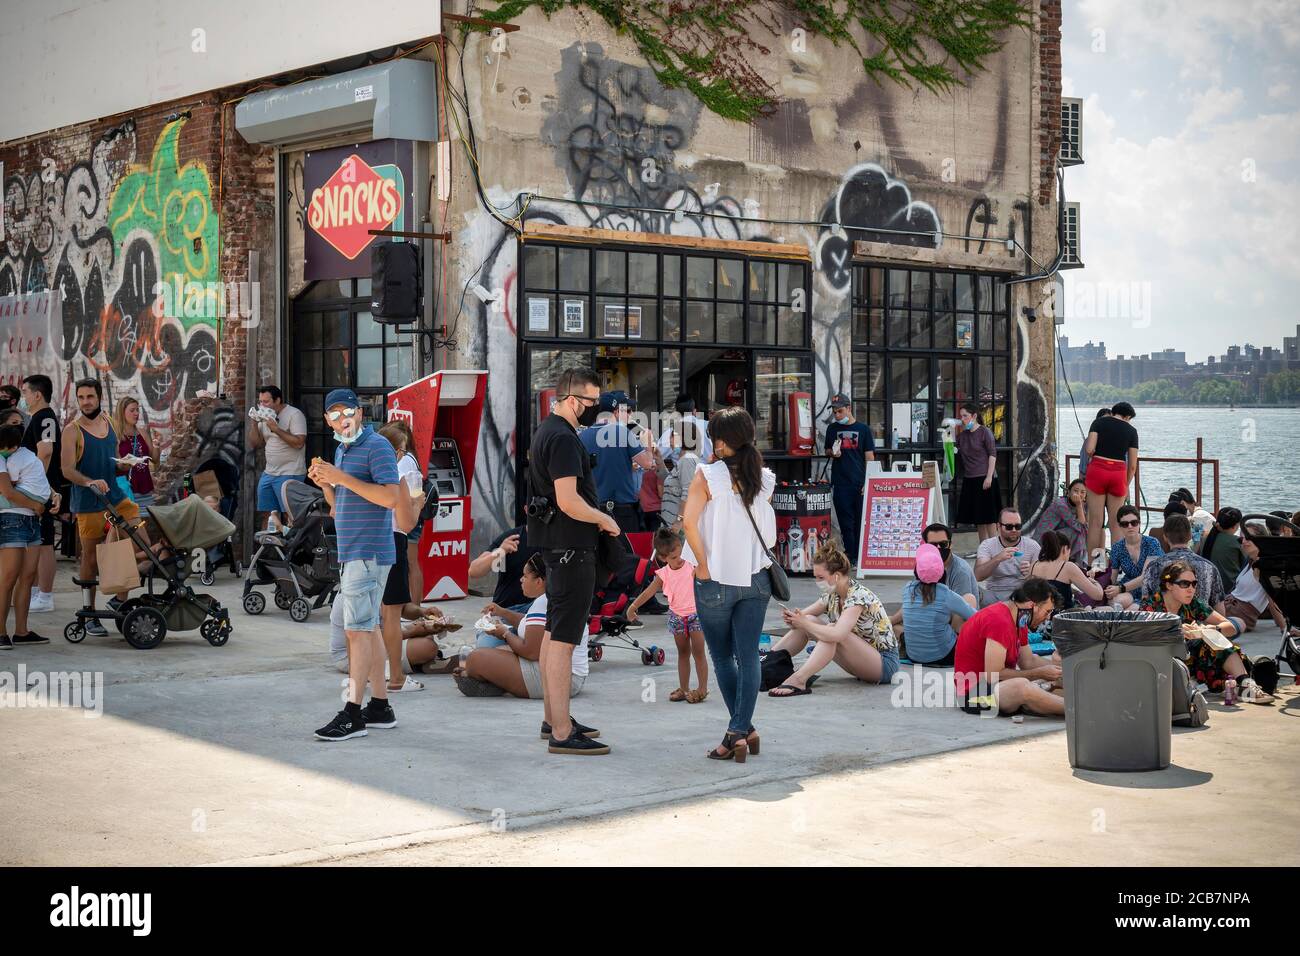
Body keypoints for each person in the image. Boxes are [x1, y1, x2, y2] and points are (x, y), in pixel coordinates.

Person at [528, 367, 621, 755]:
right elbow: (567, 500)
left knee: (554, 633)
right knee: (565, 640)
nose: (592, 409)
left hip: (557, 548)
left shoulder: (548, 432)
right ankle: (563, 732)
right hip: (571, 549)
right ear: (570, 399)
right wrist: (604, 520)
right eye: (589, 402)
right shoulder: (563, 439)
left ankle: (555, 718)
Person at [681, 405, 775, 761]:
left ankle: (737, 732)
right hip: (757, 579)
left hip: (715, 579)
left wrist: (702, 566)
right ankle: (744, 729)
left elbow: (690, 524)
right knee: (749, 656)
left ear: (719, 442)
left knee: (722, 657)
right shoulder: (765, 478)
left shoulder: (707, 476)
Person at [307, 388, 402, 741]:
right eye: (333, 415)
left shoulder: (376, 446)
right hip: (353, 551)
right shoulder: (342, 449)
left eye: (347, 411)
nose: (342, 419)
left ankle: (353, 713)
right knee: (368, 628)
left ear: (360, 412)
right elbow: (339, 505)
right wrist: (326, 484)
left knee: (357, 632)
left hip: (369, 552)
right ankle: (380, 706)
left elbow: (391, 498)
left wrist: (341, 478)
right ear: (327, 420)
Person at [61, 379, 143, 638]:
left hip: (117, 498)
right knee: (90, 558)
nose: (85, 402)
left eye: (90, 397)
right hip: (88, 503)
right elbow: (67, 470)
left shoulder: (110, 423)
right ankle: (88, 613)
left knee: (138, 542)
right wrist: (89, 482)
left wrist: (125, 466)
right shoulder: (72, 430)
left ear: (99, 398)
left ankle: (119, 600)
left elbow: (112, 464)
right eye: (81, 397)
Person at [457, 554, 595, 700]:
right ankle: (495, 680)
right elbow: (530, 624)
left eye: (525, 576)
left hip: (558, 680)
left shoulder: (543, 603)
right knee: (488, 652)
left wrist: (504, 633)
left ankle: (494, 682)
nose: (521, 580)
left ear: (539, 581)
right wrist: (502, 612)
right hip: (567, 676)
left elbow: (530, 652)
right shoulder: (557, 596)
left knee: (475, 658)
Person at [767, 542, 898, 696]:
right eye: (815, 577)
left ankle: (799, 680)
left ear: (836, 576)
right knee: (809, 620)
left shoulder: (858, 596)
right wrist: (794, 618)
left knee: (830, 630)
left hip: (884, 664)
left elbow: (838, 635)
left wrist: (803, 622)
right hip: (861, 659)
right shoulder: (833, 594)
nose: (817, 581)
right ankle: (766, 663)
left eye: (821, 577)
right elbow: (804, 617)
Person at [1139, 560, 1271, 701]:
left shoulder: (1193, 603)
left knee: (1219, 643)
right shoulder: (1152, 605)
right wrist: (1176, 630)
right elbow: (1144, 636)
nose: (1191, 589)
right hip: (1166, 661)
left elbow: (1230, 627)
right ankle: (1232, 687)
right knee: (1206, 648)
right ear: (1169, 585)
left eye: (1194, 584)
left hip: (1192, 659)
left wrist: (1212, 629)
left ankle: (1246, 684)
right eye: (1184, 584)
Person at [953, 578, 1063, 716]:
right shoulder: (999, 621)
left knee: (1057, 681)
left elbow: (1028, 661)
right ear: (1032, 605)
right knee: (1022, 686)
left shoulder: (1019, 618)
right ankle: (1078, 712)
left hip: (998, 688)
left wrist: (1062, 669)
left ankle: (1080, 706)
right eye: (1047, 612)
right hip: (974, 696)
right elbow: (993, 675)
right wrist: (1039, 673)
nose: (1047, 618)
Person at [626, 527, 708, 703]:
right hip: (677, 617)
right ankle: (684, 689)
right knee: (683, 653)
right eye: (673, 558)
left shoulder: (692, 566)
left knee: (699, 652)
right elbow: (648, 593)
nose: (679, 560)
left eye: (680, 554)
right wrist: (632, 606)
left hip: (696, 615)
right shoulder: (663, 575)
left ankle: (702, 689)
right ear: (662, 559)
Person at [377, 421, 424, 694]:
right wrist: (417, 504)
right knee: (391, 615)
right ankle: (396, 677)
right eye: (402, 449)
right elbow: (406, 521)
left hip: (370, 539)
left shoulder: (371, 468)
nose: (404, 454)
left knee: (377, 614)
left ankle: (375, 671)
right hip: (394, 538)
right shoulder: (404, 465)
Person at [0, 424, 53, 648]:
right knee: (8, 578)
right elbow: (8, 492)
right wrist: (36, 505)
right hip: (13, 519)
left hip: (31, 520)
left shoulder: (20, 455)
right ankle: (1, 633)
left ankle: (21, 631)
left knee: (28, 576)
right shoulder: (2, 458)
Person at [579, 391, 657, 534]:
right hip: (623, 510)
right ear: (615, 412)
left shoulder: (582, 436)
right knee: (626, 553)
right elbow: (647, 463)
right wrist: (648, 444)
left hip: (592, 510)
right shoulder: (624, 433)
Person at [894, 542, 976, 666]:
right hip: (944, 656)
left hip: (913, 656)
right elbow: (974, 615)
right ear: (942, 571)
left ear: (916, 570)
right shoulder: (946, 593)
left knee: (897, 627)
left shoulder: (908, 589)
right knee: (969, 598)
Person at [20, 374, 62, 614]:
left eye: (25, 392)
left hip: (41, 490)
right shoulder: (39, 417)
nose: (23, 397)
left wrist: (34, 484)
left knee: (45, 542)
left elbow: (45, 452)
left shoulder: (44, 417)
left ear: (37, 395)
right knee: (36, 541)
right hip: (40, 489)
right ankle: (36, 591)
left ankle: (45, 595)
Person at [1082, 400, 1139, 566]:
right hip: (1118, 473)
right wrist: (1125, 484)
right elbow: (1133, 465)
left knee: (1095, 522)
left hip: (1097, 469)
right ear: (1127, 416)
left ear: (1114, 412)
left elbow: (1089, 449)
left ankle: (1096, 565)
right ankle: (1115, 567)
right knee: (1116, 524)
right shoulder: (1131, 431)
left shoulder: (1098, 422)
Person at [823, 393, 875, 567]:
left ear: (849, 408)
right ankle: (851, 554)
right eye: (835, 412)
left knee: (861, 520)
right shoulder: (832, 429)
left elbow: (870, 457)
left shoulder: (863, 429)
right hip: (840, 481)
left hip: (859, 482)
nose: (837, 415)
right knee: (845, 521)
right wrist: (833, 452)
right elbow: (827, 451)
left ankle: (861, 555)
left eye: (840, 411)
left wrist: (869, 481)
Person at [247, 385, 307, 530]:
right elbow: (255, 444)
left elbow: (299, 443)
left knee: (289, 515)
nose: (262, 405)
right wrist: (254, 423)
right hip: (270, 472)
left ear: (277, 400)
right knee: (267, 514)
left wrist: (276, 429)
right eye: (260, 402)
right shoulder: (264, 416)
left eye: (266, 402)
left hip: (290, 471)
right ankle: (268, 548)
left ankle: (293, 549)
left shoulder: (294, 414)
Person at [1140, 514, 1225, 612]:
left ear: (1165, 537)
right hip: (1199, 625)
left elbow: (1145, 604)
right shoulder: (1209, 566)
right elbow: (1220, 610)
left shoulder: (1154, 566)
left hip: (1163, 624)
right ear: (1190, 536)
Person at [1224, 533, 1290, 634]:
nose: (1244, 541)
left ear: (1262, 541)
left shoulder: (1266, 565)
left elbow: (1272, 598)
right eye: (1242, 538)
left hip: (1239, 614)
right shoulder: (1252, 562)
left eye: (1249, 538)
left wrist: (1284, 627)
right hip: (1230, 608)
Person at [1024, 529, 1104, 611]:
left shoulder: (1033, 565)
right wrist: (1095, 582)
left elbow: (1046, 588)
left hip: (1038, 616)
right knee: (1106, 609)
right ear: (1065, 548)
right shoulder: (1067, 567)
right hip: (1062, 618)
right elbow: (1098, 595)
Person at [954, 402, 1000, 540]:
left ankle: (994, 547)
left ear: (974, 416)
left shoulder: (985, 432)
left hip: (985, 477)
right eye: (961, 416)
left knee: (989, 517)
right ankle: (983, 547)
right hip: (970, 478)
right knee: (978, 517)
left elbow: (992, 454)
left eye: (965, 416)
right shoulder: (962, 436)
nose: (963, 419)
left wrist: (989, 477)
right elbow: (952, 448)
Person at [1104, 504, 1164, 607]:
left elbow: (1146, 577)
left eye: (1134, 523)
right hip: (1128, 586)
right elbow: (1112, 578)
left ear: (1139, 523)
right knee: (1115, 602)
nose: (1130, 526)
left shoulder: (1152, 543)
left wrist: (1120, 589)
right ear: (1119, 526)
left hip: (1151, 587)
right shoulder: (1117, 548)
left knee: (1133, 609)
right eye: (1125, 524)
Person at [974, 507, 1041, 601]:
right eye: (1009, 526)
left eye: (1017, 526)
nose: (1014, 530)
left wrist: (1032, 572)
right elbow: (978, 575)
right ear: (998, 526)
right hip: (994, 593)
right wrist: (998, 558)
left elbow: (1044, 580)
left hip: (1022, 594)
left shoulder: (1032, 546)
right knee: (971, 592)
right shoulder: (987, 545)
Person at [112, 396, 159, 511]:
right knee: (130, 526)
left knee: (145, 524)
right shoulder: (115, 436)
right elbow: (116, 465)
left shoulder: (142, 433)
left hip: (146, 490)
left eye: (137, 410)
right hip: (126, 491)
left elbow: (155, 459)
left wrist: (157, 446)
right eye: (132, 410)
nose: (136, 413)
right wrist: (127, 463)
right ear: (122, 412)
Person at [658, 421, 702, 529]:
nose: (670, 440)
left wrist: (679, 521)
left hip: (677, 528)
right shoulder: (683, 460)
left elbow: (688, 493)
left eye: (673, 436)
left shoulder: (687, 460)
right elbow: (672, 484)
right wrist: (659, 460)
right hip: (671, 524)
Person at [1035, 478, 1088, 566]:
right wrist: (1079, 505)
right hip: (1043, 541)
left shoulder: (1082, 506)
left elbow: (1085, 527)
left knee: (1083, 531)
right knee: (1077, 532)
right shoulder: (1061, 505)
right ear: (1068, 492)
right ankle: (1076, 563)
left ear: (1086, 496)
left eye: (1082, 492)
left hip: (1056, 538)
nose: (1079, 494)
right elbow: (1079, 527)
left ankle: (1076, 562)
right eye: (1076, 491)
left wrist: (1079, 506)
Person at [1200, 507, 1246, 595]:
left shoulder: (1206, 537)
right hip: (1230, 590)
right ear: (1235, 526)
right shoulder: (1237, 542)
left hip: (1208, 587)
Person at [658, 393, 713, 463]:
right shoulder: (709, 425)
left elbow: (656, 456)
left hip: (685, 472)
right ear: (694, 411)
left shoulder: (671, 433)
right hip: (710, 472)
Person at [1077, 408, 1109, 479]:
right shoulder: (1088, 441)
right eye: (1103, 420)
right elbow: (1083, 465)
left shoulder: (1119, 441)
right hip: (1092, 478)